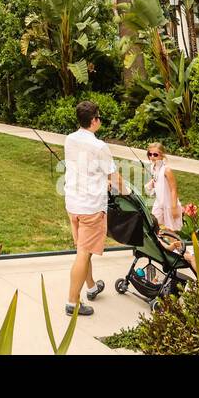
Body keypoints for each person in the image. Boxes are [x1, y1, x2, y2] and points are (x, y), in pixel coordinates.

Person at [63, 100, 122, 317]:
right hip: (90, 208)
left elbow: (84, 167)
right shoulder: (100, 147)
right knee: (83, 253)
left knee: (82, 250)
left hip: (72, 204)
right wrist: (128, 192)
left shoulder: (69, 139)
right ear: (94, 120)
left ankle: (91, 286)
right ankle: (72, 302)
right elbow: (114, 177)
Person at [146, 142, 182, 233]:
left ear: (162, 156)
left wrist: (174, 207)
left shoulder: (167, 170)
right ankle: (165, 246)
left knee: (170, 230)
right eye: (150, 154)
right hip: (159, 202)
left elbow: (173, 189)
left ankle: (177, 247)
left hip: (169, 204)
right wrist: (152, 183)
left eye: (155, 154)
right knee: (153, 224)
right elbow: (157, 179)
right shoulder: (153, 167)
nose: (152, 157)